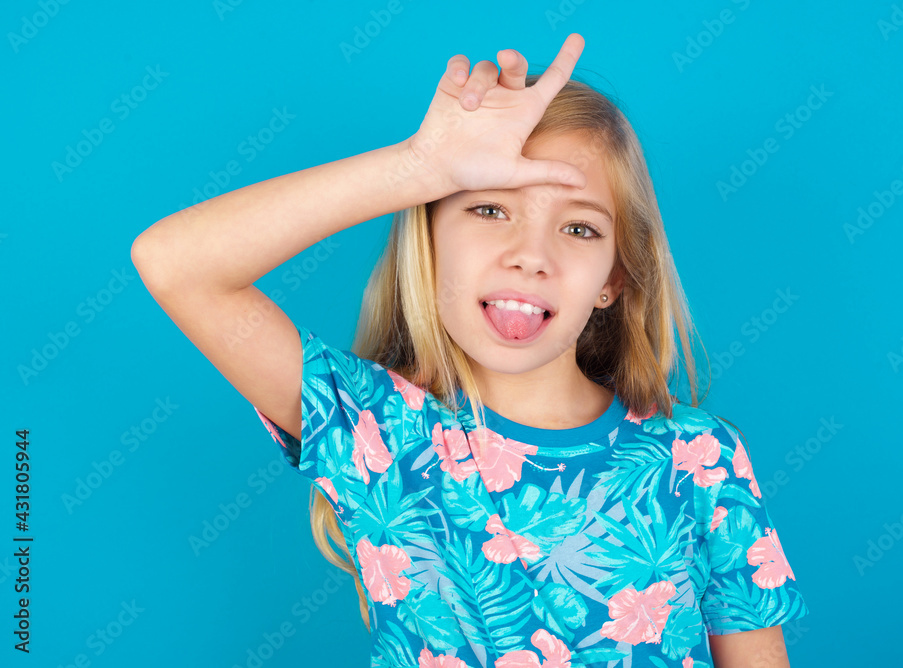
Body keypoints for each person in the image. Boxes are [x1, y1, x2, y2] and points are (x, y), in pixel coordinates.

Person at [132, 33, 808, 668]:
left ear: (614, 280)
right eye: (490, 210)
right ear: (430, 239)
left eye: (578, 227)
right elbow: (175, 263)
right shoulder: (372, 433)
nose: (530, 257)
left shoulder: (698, 459)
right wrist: (420, 166)